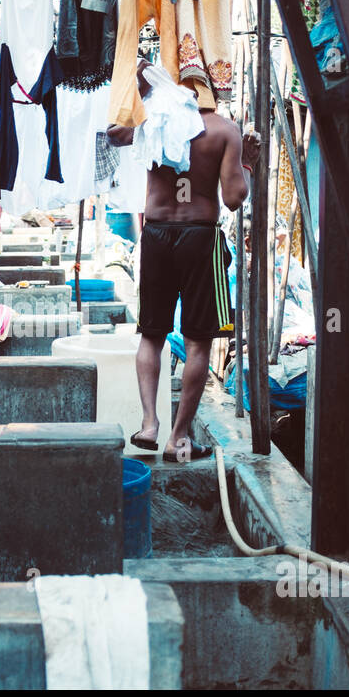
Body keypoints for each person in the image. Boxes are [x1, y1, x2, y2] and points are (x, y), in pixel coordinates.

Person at [109, 61, 261, 462]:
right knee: (198, 341)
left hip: (157, 235)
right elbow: (233, 198)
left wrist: (144, 89)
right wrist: (248, 163)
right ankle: (180, 437)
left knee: (152, 335)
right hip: (199, 238)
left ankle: (149, 424)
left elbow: (114, 133)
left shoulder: (153, 120)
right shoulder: (225, 131)